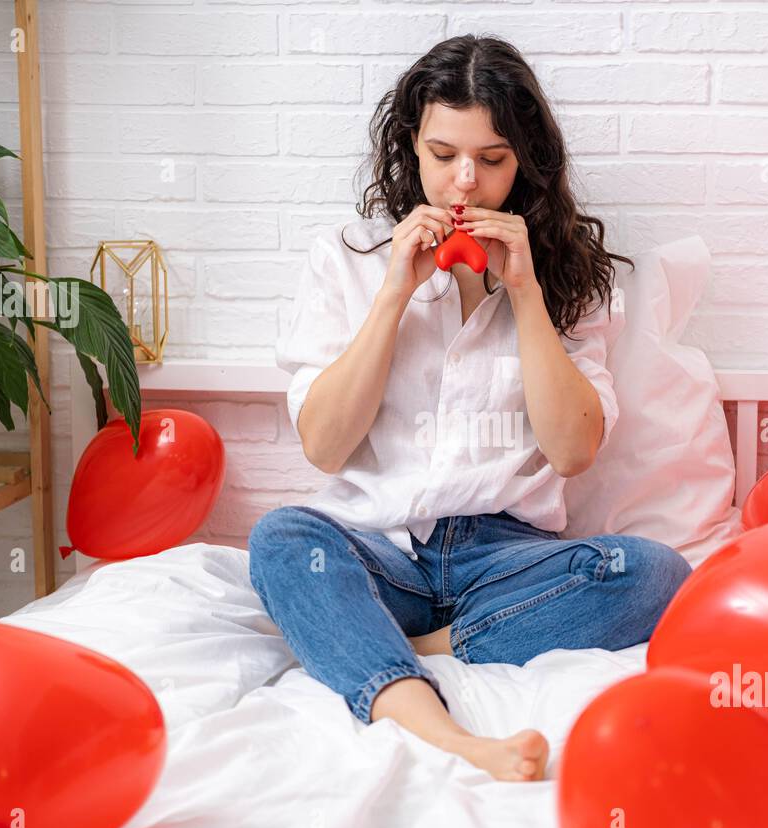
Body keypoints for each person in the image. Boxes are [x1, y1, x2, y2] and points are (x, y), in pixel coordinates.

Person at [249, 35, 691, 782]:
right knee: (282, 541)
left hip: (506, 555)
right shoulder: (347, 257)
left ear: (525, 161)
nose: (464, 183)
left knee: (653, 572)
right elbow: (324, 448)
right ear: (410, 146)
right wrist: (394, 292)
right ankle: (450, 735)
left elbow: (573, 451)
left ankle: (406, 642)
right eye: (443, 154)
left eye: (492, 159)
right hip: (379, 544)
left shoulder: (569, 278)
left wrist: (525, 294)